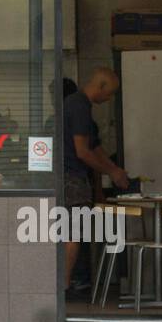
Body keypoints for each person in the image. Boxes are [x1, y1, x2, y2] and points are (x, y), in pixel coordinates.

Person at [63, 67, 130, 295]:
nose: (110, 98)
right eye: (110, 93)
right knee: (71, 234)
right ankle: (62, 287)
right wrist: (111, 172)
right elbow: (83, 151)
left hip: (75, 179)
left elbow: (95, 146)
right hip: (71, 179)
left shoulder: (80, 106)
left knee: (72, 233)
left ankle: (65, 283)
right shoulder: (79, 105)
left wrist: (114, 169)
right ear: (100, 86)